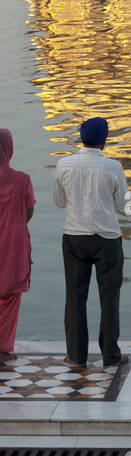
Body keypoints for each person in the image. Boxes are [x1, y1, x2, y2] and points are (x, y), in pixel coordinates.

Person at [52, 117, 128, 370]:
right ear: (104, 139)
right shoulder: (113, 166)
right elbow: (125, 205)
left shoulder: (64, 164)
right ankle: (110, 354)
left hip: (73, 237)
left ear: (80, 137)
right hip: (107, 238)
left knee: (74, 296)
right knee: (109, 296)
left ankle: (76, 356)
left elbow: (59, 202)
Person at [0, 129, 35, 357]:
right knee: (10, 297)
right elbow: (28, 211)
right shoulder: (22, 179)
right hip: (11, 246)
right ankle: (3, 349)